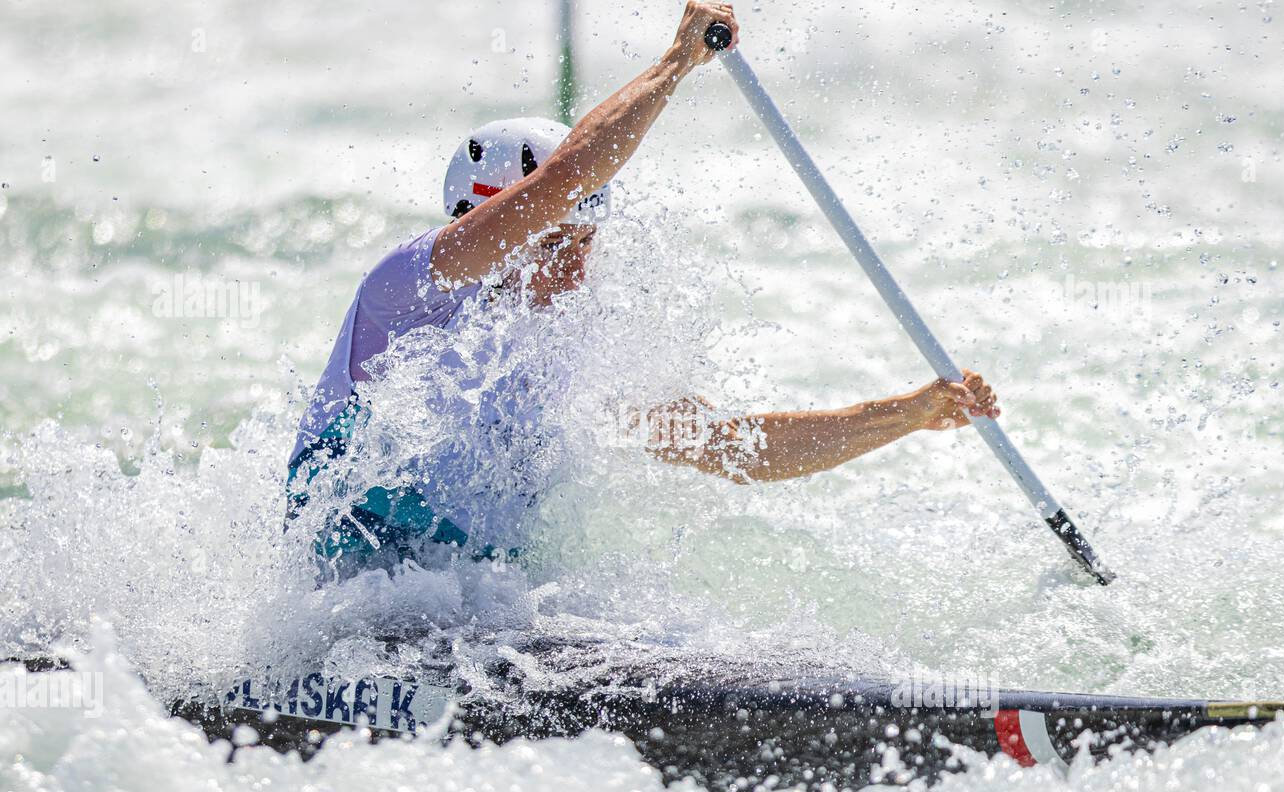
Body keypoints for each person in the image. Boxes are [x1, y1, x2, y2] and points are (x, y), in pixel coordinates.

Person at [287, 1, 1000, 577]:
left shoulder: (576, 348)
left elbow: (730, 446)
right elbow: (566, 181)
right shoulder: (409, 288)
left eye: (588, 242)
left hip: (476, 610)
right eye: (558, 240)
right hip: (345, 600)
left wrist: (907, 413)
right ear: (490, 222)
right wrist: (677, 62)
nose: (578, 268)